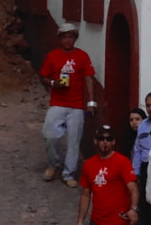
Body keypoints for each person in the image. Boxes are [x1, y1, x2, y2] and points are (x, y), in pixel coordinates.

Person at [39, 22, 96, 188]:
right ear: (59, 39)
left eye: (71, 37)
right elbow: (44, 76)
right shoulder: (52, 56)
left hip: (76, 105)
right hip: (57, 103)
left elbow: (88, 78)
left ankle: (68, 173)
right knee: (49, 135)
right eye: (64, 37)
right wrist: (53, 83)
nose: (67, 40)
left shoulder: (82, 56)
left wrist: (91, 102)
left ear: (75, 38)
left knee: (74, 140)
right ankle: (53, 164)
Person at [77, 125, 139, 225]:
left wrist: (133, 209)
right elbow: (85, 195)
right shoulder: (89, 164)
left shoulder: (122, 162)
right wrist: (80, 221)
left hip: (118, 220)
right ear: (95, 141)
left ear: (113, 142)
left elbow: (133, 188)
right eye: (101, 138)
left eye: (109, 139)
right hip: (96, 220)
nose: (105, 141)